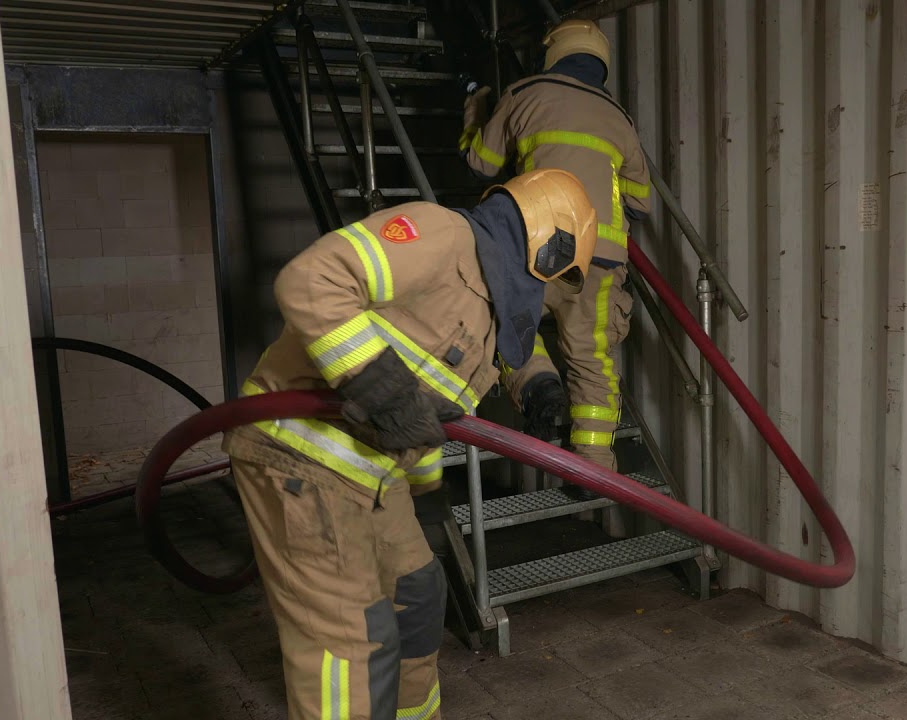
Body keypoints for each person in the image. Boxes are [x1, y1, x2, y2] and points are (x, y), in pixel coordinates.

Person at [224, 169, 596, 720]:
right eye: (555, 280)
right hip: (300, 457)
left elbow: (484, 357)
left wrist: (537, 385)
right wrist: (379, 384)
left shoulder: (489, 299)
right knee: (352, 637)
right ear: (548, 246)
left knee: (418, 596)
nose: (545, 299)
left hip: (374, 471)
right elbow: (311, 280)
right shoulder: (439, 233)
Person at [459, 19, 651, 481]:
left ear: (554, 53)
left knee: (502, 317)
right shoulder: (619, 118)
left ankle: (538, 385)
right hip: (601, 259)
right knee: (591, 356)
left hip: (535, 246)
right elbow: (642, 203)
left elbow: (480, 163)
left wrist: (474, 111)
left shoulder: (525, 94)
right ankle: (595, 470)